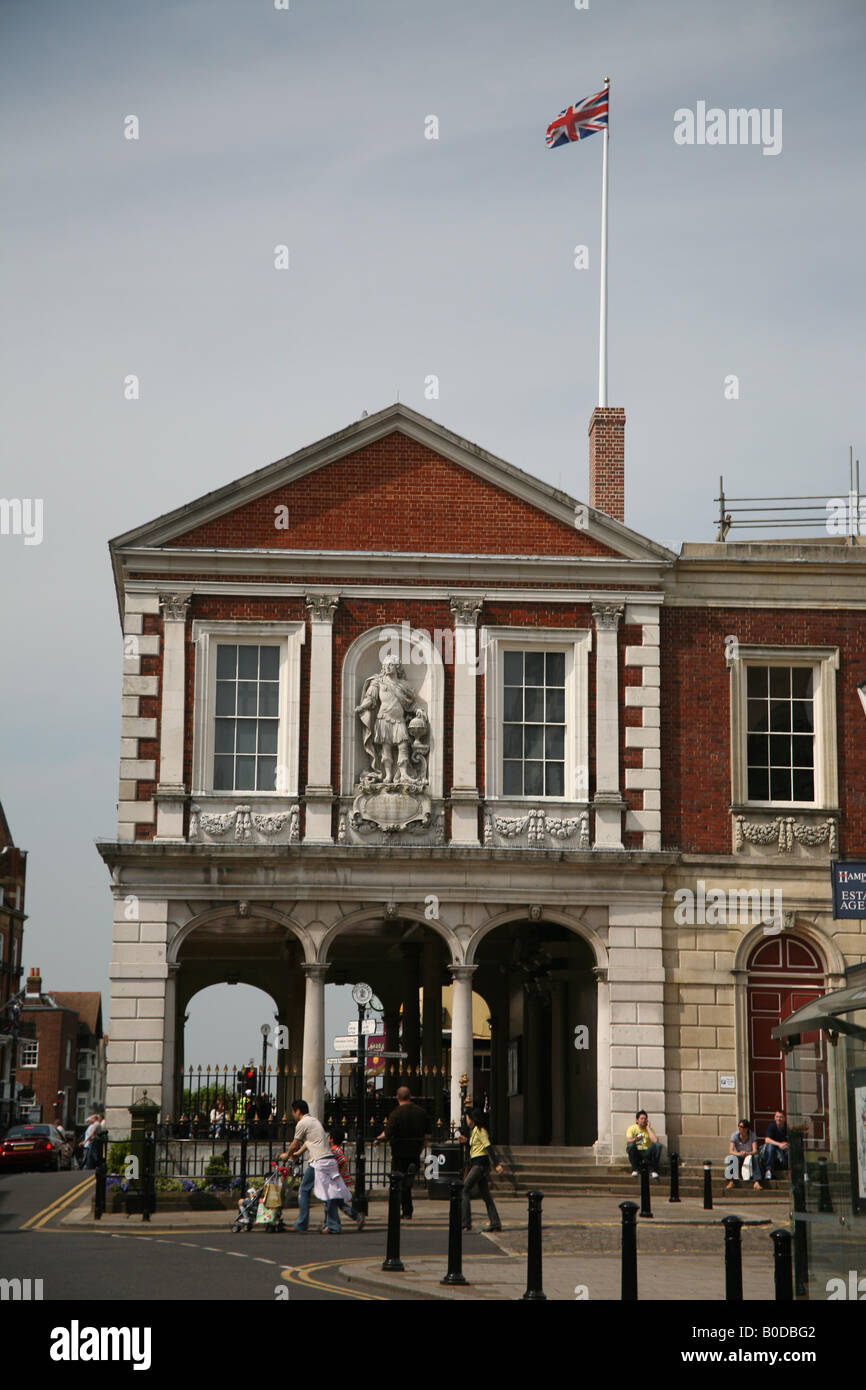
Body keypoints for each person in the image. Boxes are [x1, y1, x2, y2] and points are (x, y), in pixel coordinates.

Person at [280, 1099, 349, 1234]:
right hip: (329, 1161)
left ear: (298, 1111)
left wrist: (287, 1155)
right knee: (329, 1193)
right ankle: (334, 1226)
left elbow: (295, 1143)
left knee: (304, 1189)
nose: (293, 1115)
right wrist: (298, 1154)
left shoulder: (302, 1123)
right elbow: (310, 1142)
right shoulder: (314, 1121)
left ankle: (302, 1223)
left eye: (293, 1112)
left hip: (319, 1161)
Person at [375, 1086, 431, 1218]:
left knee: (397, 1183)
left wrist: (378, 1139)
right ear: (410, 1096)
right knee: (406, 1184)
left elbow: (388, 1133)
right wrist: (421, 1148)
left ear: (397, 1097)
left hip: (399, 1152)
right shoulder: (421, 1112)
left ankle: (400, 1210)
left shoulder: (396, 1114)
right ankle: (407, 1209)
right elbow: (428, 1135)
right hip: (414, 1151)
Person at [460, 1108, 503, 1232]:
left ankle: (465, 1223)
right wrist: (466, 1142)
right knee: (486, 1195)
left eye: (467, 1117)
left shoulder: (480, 1130)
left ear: (472, 1119)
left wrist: (497, 1164)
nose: (465, 1120)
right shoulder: (473, 1131)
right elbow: (476, 1146)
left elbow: (488, 1147)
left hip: (480, 1164)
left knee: (465, 1189)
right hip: (477, 1163)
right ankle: (495, 1223)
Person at [327, 1125, 365, 1232]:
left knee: (331, 1203)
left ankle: (332, 1223)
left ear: (332, 1139)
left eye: (329, 1136)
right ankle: (355, 1217)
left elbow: (343, 1162)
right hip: (336, 1182)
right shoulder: (336, 1150)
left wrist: (338, 1176)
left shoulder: (334, 1151)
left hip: (336, 1182)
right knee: (337, 1203)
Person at [727, 1118, 761, 1190]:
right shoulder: (735, 1135)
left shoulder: (752, 1135)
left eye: (742, 1127)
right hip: (739, 1156)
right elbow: (730, 1150)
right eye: (739, 1126)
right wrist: (739, 1153)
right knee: (731, 1157)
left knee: (756, 1157)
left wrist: (747, 1153)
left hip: (749, 1156)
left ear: (746, 1129)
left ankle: (756, 1182)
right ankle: (731, 1181)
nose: (740, 1128)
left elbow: (755, 1150)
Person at [625, 1110, 662, 1177]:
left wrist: (648, 1128)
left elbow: (655, 1141)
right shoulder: (632, 1128)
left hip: (647, 1152)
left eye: (645, 1119)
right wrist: (635, 1139)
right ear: (637, 1120)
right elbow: (628, 1140)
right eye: (641, 1118)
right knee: (630, 1145)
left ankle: (653, 1170)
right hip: (637, 1152)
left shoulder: (650, 1129)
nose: (643, 1120)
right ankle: (635, 1169)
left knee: (658, 1145)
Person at [761, 1111, 789, 1182]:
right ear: (774, 1118)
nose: (779, 1119)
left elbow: (791, 1140)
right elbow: (767, 1140)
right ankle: (769, 1170)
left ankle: (790, 1171)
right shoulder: (772, 1126)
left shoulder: (787, 1127)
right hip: (772, 1150)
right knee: (770, 1147)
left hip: (783, 1150)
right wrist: (779, 1144)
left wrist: (786, 1144)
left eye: (781, 1117)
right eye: (777, 1117)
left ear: (784, 1118)